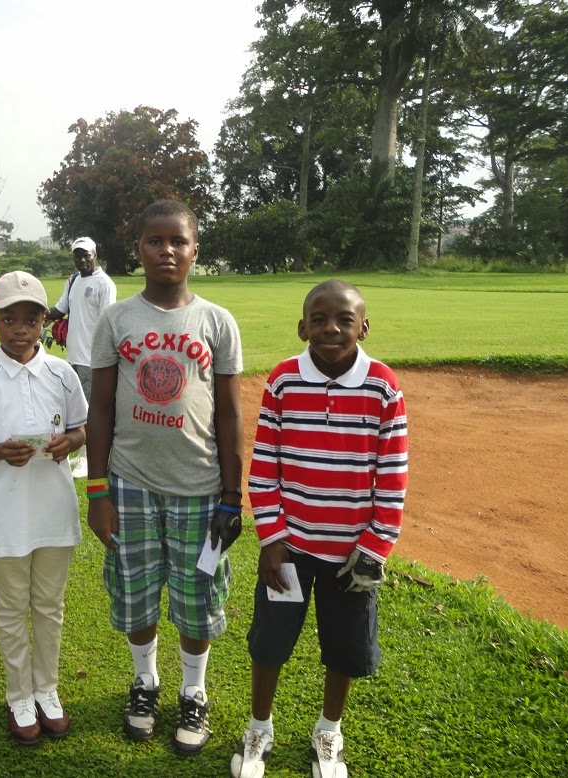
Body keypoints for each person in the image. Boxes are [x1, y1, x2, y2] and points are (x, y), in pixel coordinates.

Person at [230, 279, 408, 778]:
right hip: (291, 548)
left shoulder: (383, 386)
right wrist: (272, 539)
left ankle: (329, 730)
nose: (331, 329)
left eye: (344, 320)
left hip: (352, 555)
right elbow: (264, 469)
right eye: (320, 319)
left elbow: (392, 477)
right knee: (270, 642)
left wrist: (374, 549)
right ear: (302, 325)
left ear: (363, 327)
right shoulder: (284, 380)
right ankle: (259, 727)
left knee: (345, 646)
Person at [86, 200, 244, 755]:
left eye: (178, 241)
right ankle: (145, 681)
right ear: (139, 250)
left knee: (197, 596)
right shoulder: (117, 319)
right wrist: (97, 489)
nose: (167, 250)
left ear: (195, 250)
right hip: (129, 484)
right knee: (134, 593)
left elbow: (228, 413)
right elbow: (100, 409)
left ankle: (194, 690)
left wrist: (232, 494)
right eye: (156, 241)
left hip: (200, 487)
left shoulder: (216, 322)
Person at [0, 271, 88, 745]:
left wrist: (68, 441)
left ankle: (46, 690)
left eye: (32, 319)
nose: (22, 329)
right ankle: (18, 695)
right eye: (10, 318)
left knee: (49, 606)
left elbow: (82, 429)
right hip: (5, 511)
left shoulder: (62, 373)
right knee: (12, 608)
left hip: (53, 508)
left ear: (45, 323)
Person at [46, 236, 117, 479]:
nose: (83, 259)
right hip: (73, 357)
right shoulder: (73, 280)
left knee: (91, 410)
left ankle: (88, 458)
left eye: (86, 254)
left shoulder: (104, 284)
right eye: (78, 254)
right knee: (73, 408)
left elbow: (108, 323)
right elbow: (59, 310)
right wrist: (36, 312)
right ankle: (80, 453)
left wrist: (104, 358)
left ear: (95, 254)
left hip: (92, 358)